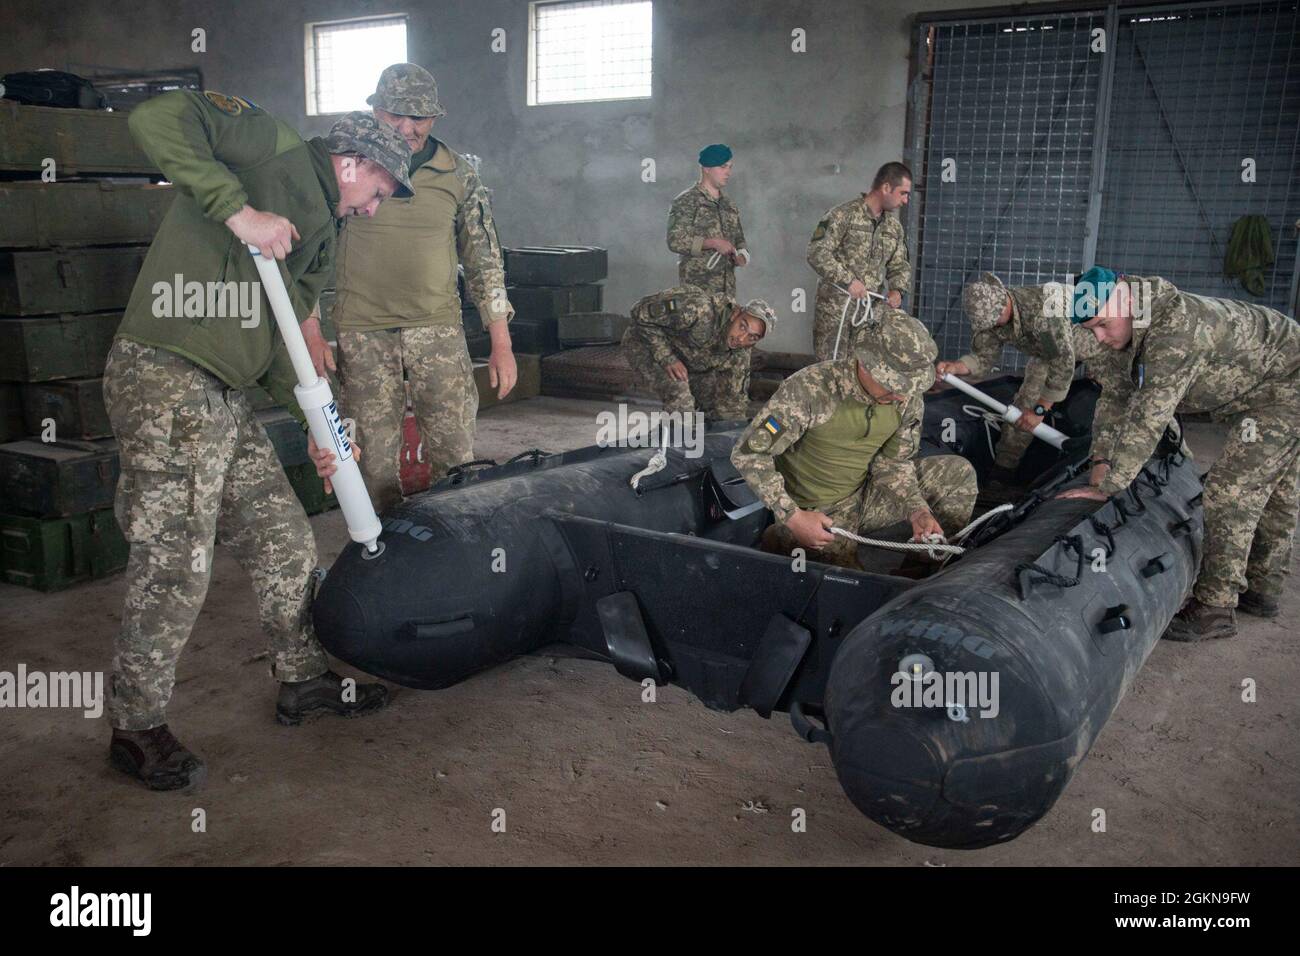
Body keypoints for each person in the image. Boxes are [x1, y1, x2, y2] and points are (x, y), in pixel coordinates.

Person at [104, 90, 412, 790]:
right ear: (351, 162)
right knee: (176, 562)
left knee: (284, 535)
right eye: (379, 191)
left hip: (223, 390)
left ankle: (302, 679)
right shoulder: (271, 145)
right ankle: (135, 725)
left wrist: (318, 426)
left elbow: (282, 341)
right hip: (166, 373)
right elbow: (155, 118)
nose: (375, 208)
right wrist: (239, 212)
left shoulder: (324, 233)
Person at [314, 63, 517, 513]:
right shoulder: (349, 166)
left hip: (437, 329)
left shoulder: (457, 173)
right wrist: (311, 326)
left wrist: (501, 342)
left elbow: (484, 259)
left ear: (435, 117)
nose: (407, 128)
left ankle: (453, 538)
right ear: (376, 112)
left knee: (455, 454)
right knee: (369, 461)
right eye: (395, 116)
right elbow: (309, 248)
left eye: (419, 117)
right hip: (363, 331)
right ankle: (378, 543)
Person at [1057, 266, 1300, 641]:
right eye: (1092, 330)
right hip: (1260, 386)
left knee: (1232, 491)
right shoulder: (1126, 329)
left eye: (1103, 325)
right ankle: (1262, 589)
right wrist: (1101, 463)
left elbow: (1149, 415)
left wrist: (1113, 485)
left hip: (1285, 387)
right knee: (1277, 491)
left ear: (1125, 300)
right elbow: (1115, 400)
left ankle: (1215, 607)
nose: (1100, 337)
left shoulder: (1174, 329)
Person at [732, 314, 977, 571]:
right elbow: (749, 454)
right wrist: (793, 517)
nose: (902, 396)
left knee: (957, 474)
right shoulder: (810, 389)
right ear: (867, 364)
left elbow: (893, 463)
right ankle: (785, 536)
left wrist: (918, 511)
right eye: (894, 385)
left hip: (867, 494)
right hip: (819, 511)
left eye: (908, 386)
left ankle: (918, 575)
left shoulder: (906, 398)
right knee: (848, 582)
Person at [935, 272, 1082, 484]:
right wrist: (956, 367)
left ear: (1004, 306)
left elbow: (1063, 362)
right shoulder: (990, 319)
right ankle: (1004, 470)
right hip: (1048, 352)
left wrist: (1041, 410)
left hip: (1091, 336)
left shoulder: (1042, 311)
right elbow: (983, 358)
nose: (993, 326)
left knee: (1112, 397)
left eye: (994, 321)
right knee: (1025, 405)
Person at [807, 162, 913, 360]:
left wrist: (897, 290)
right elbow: (816, 252)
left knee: (864, 371)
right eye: (903, 193)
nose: (906, 200)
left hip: (870, 317)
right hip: (836, 315)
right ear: (886, 187)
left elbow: (900, 265)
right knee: (831, 371)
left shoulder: (894, 228)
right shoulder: (842, 215)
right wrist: (848, 281)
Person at [622, 288, 776, 421]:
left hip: (689, 362)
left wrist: (734, 432)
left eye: (752, 337)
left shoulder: (741, 352)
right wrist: (666, 357)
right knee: (680, 396)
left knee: (710, 401)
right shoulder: (698, 308)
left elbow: (732, 401)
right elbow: (639, 312)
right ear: (735, 314)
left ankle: (686, 437)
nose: (741, 339)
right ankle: (678, 442)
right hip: (645, 344)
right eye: (742, 326)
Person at [667, 144, 749, 296]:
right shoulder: (686, 201)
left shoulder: (729, 205)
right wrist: (712, 243)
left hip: (727, 293)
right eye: (723, 167)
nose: (728, 172)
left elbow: (739, 239)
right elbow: (675, 241)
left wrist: (742, 256)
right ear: (706, 168)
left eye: (730, 167)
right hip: (698, 294)